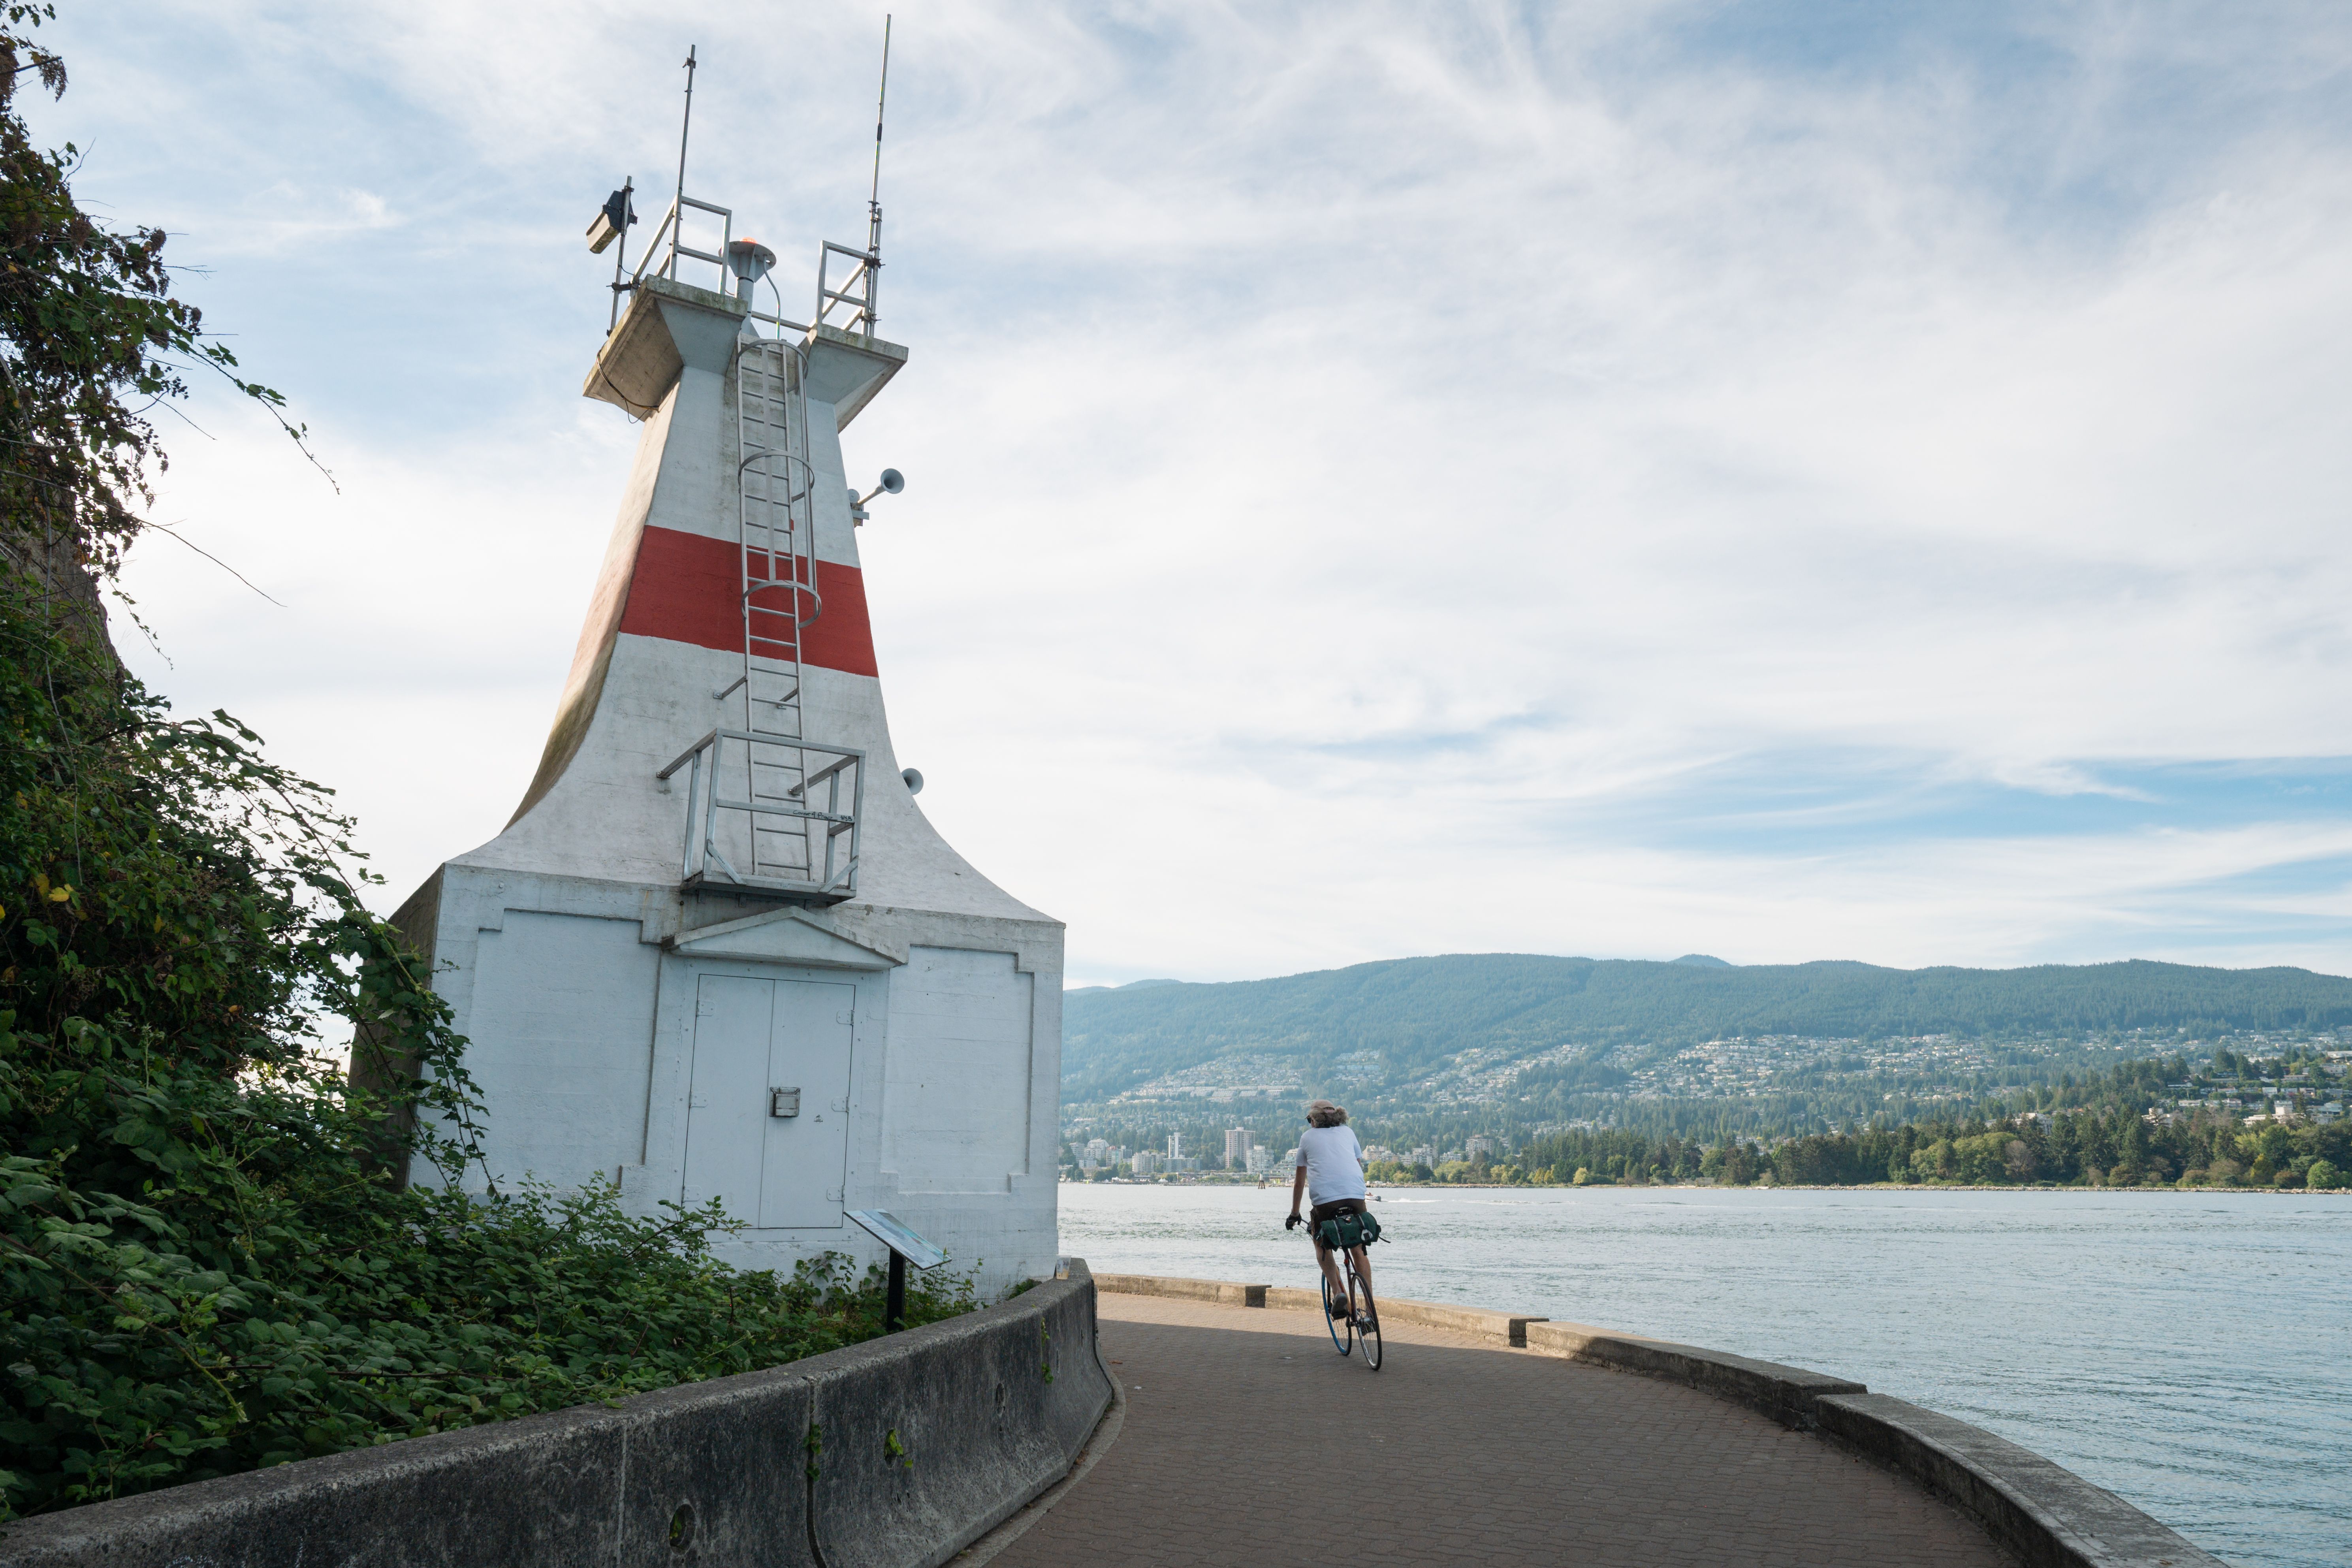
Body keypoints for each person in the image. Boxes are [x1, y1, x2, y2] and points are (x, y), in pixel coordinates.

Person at [1285, 1100, 1374, 1323]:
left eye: (1309, 1120)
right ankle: (1371, 1312)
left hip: (1326, 1203)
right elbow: (1356, 1166)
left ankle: (1338, 1293)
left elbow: (1299, 1183)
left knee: (1321, 1243)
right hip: (1355, 1197)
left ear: (1314, 1120)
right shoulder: (1348, 1132)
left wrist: (1295, 1213)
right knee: (1358, 1248)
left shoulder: (1307, 1138)